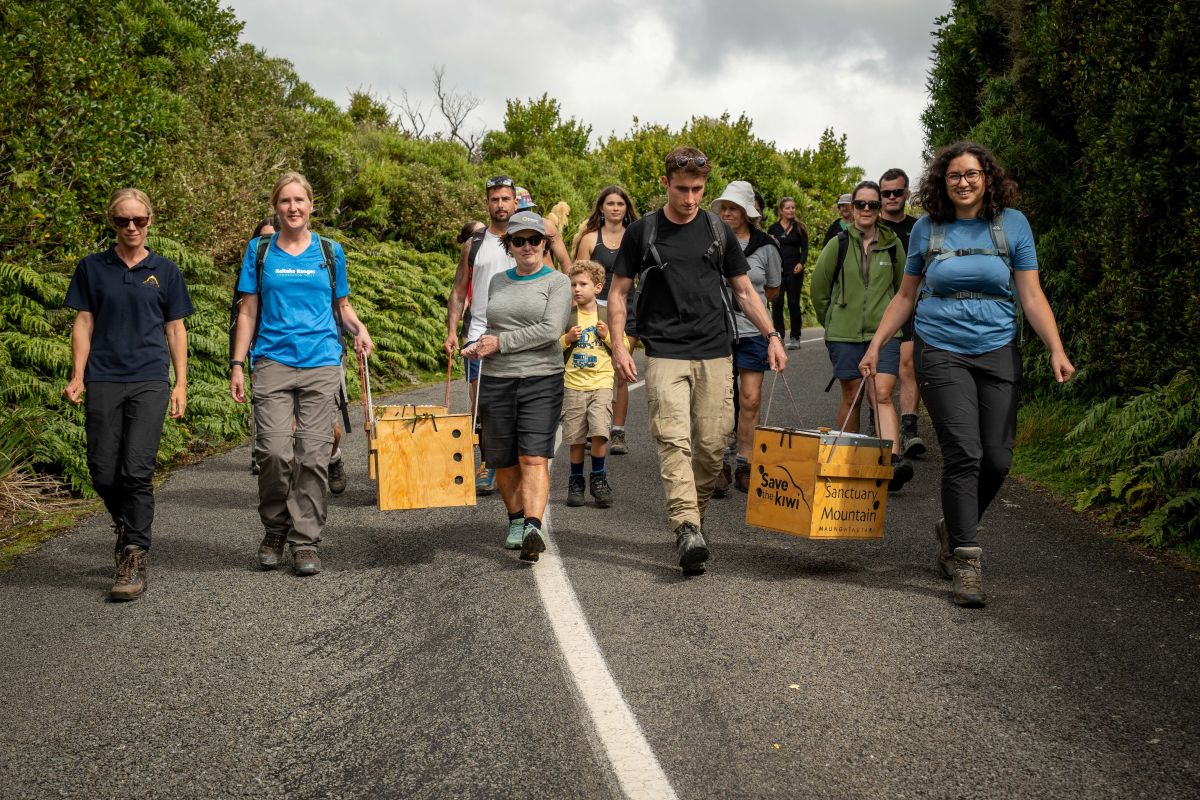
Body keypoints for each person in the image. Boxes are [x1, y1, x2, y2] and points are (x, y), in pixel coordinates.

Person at [859, 140, 1075, 608]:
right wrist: (877, 345)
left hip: (998, 348)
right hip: (941, 351)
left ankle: (953, 526)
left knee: (997, 458)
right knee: (963, 451)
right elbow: (904, 296)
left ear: (987, 178)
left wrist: (1056, 348)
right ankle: (966, 558)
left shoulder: (1012, 225)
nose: (963, 182)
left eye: (972, 174)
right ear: (942, 182)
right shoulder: (928, 230)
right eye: (954, 175)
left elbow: (1032, 296)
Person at [608, 147, 787, 575]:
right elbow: (617, 293)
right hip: (664, 351)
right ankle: (686, 525)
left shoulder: (715, 229)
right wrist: (618, 344)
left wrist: (772, 335)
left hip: (715, 351)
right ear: (666, 183)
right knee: (673, 440)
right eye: (682, 189)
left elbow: (745, 291)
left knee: (710, 448)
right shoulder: (643, 231)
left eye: (698, 190)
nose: (690, 198)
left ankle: (696, 516)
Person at [230, 171, 374, 577]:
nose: (293, 208)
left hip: (321, 361)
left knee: (313, 455)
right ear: (276, 207)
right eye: (285, 201)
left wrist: (358, 328)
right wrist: (238, 364)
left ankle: (305, 541)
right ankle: (275, 528)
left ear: (311, 206)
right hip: (272, 360)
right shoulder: (260, 251)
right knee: (273, 453)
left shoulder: (330, 251)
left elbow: (342, 306)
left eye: (300, 201)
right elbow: (248, 311)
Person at [63, 188, 193, 601]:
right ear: (112, 223)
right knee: (102, 470)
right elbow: (84, 323)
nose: (131, 227)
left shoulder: (165, 271)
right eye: (123, 221)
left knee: (137, 469)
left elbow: (175, 329)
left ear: (150, 221)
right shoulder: (92, 268)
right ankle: (127, 525)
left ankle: (134, 554)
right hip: (102, 377)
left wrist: (180, 383)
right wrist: (77, 375)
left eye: (138, 220)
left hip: (149, 380)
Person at [461, 211, 572, 562]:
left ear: (544, 243)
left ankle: (533, 526)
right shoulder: (497, 281)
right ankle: (515, 519)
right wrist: (477, 344)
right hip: (496, 378)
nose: (527, 246)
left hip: (542, 378)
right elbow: (489, 325)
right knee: (502, 458)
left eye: (534, 240)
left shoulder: (558, 283)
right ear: (509, 245)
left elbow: (550, 330)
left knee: (533, 456)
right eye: (519, 240)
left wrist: (499, 343)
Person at [811, 181, 914, 492]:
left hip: (884, 335)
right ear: (852, 208)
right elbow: (819, 290)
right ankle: (848, 459)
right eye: (861, 204)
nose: (867, 210)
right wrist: (833, 322)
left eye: (872, 204)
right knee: (851, 396)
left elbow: (902, 290)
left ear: (880, 208)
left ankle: (891, 462)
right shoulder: (838, 244)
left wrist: (893, 324)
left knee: (881, 393)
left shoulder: (893, 245)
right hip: (844, 334)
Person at [444, 177, 518, 496]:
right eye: (494, 199)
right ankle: (487, 462)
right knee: (482, 407)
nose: (500, 204)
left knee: (516, 405)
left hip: (518, 336)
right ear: (487, 204)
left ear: (515, 203)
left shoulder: (527, 239)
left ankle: (516, 463)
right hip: (478, 336)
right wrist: (451, 332)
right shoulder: (474, 244)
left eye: (505, 199)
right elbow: (460, 290)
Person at [711, 181, 782, 492]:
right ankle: (720, 463)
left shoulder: (766, 246)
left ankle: (745, 462)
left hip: (754, 331)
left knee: (750, 399)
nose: (727, 213)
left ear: (747, 213)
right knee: (722, 399)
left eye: (734, 208)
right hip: (718, 330)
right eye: (724, 207)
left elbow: (772, 289)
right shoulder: (713, 241)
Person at [572, 185, 641, 456]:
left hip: (628, 308)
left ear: (626, 209)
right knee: (592, 370)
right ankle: (594, 428)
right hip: (594, 311)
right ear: (601, 208)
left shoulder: (635, 236)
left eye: (620, 204)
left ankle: (618, 432)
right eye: (610, 203)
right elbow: (578, 276)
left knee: (620, 370)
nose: (615, 208)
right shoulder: (590, 239)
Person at [559, 260, 626, 508]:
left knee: (599, 432)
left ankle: (598, 477)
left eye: (583, 284)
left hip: (601, 383)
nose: (577, 289)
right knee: (576, 437)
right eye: (573, 284)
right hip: (573, 384)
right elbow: (552, 348)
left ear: (597, 287)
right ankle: (576, 481)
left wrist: (608, 335)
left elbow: (625, 347)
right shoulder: (566, 316)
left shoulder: (607, 315)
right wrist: (566, 339)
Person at [878, 168, 926, 459]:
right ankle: (881, 422)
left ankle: (909, 429)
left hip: (912, 304)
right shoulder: (872, 226)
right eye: (887, 193)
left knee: (908, 365)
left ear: (907, 193)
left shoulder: (920, 227)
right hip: (878, 309)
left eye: (898, 192)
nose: (892, 197)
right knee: (880, 372)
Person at [767, 196, 809, 350]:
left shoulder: (800, 227)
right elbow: (768, 248)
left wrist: (801, 263)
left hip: (794, 270)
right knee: (777, 304)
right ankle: (779, 337)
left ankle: (795, 337)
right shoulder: (773, 228)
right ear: (781, 210)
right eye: (788, 208)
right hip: (777, 270)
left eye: (793, 207)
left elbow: (805, 248)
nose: (791, 210)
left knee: (793, 304)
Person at [515, 186, 572, 271]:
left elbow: (564, 261)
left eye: (526, 209)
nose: (524, 214)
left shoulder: (545, 225)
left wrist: (569, 283)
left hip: (550, 281)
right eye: (520, 210)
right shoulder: (507, 231)